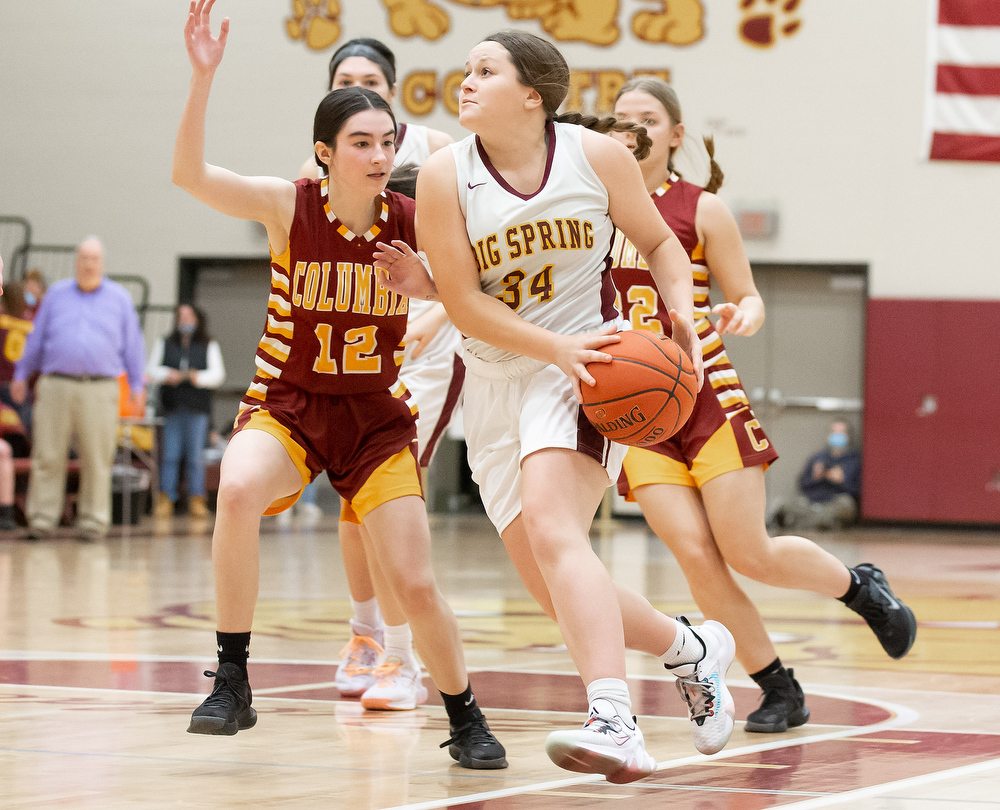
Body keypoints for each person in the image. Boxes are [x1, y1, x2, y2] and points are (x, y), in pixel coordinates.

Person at [377, 30, 737, 782]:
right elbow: (466, 305)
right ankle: (691, 648)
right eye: (467, 69)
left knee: (552, 526)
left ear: (532, 96)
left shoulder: (593, 155)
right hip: (497, 379)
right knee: (553, 586)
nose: (465, 81)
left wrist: (684, 318)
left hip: (589, 364)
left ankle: (615, 719)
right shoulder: (445, 176)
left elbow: (663, 247)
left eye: (485, 71)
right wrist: (541, 348)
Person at [172, 0, 506, 770]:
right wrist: (202, 79)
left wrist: (432, 290)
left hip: (373, 419)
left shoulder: (417, 219)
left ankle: (464, 714)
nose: (378, 155)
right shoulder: (289, 206)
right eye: (361, 143)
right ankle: (231, 677)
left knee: (415, 584)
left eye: (387, 141)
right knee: (236, 488)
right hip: (289, 407)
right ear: (324, 152)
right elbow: (188, 174)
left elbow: (483, 295)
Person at [606, 76, 916, 733]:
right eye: (620, 119)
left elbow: (749, 295)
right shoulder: (591, 210)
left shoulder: (702, 209)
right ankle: (779, 688)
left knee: (747, 552)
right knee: (694, 556)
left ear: (675, 134)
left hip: (705, 394)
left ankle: (861, 587)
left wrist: (743, 313)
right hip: (636, 413)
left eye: (646, 119)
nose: (631, 129)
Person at [298, 40, 463, 711]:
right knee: (350, 502)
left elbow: (465, 260)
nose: (359, 86)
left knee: (387, 502)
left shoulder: (437, 153)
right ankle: (366, 635)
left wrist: (432, 315)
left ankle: (403, 656)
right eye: (345, 80)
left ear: (395, 91)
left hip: (428, 345)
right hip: (358, 353)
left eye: (371, 80)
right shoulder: (320, 166)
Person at [11, 237, 146, 542]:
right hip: (55, 385)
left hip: (100, 389)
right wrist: (21, 374)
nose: (88, 264)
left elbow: (134, 346)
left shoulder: (120, 299)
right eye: (84, 258)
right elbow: (36, 338)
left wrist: (138, 386)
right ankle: (42, 521)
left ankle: (93, 523)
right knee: (47, 455)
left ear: (102, 263)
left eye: (94, 259)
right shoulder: (56, 295)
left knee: (97, 458)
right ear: (76, 261)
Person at [147, 303, 226, 519]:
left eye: (188, 315)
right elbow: (151, 370)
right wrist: (166, 375)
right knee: (170, 455)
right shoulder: (165, 341)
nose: (184, 319)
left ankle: (197, 498)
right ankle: (166, 498)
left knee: (195, 457)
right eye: (180, 316)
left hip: (197, 408)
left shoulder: (208, 342)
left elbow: (218, 375)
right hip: (172, 407)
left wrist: (196, 377)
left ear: (197, 318)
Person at [773, 421, 862, 531]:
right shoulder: (817, 457)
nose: (837, 436)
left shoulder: (853, 459)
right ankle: (820, 524)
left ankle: (811, 523)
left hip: (834, 502)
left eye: (841, 432)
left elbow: (857, 490)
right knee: (788, 505)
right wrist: (816, 477)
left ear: (848, 436)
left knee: (846, 505)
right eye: (834, 432)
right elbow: (802, 483)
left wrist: (841, 481)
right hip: (811, 502)